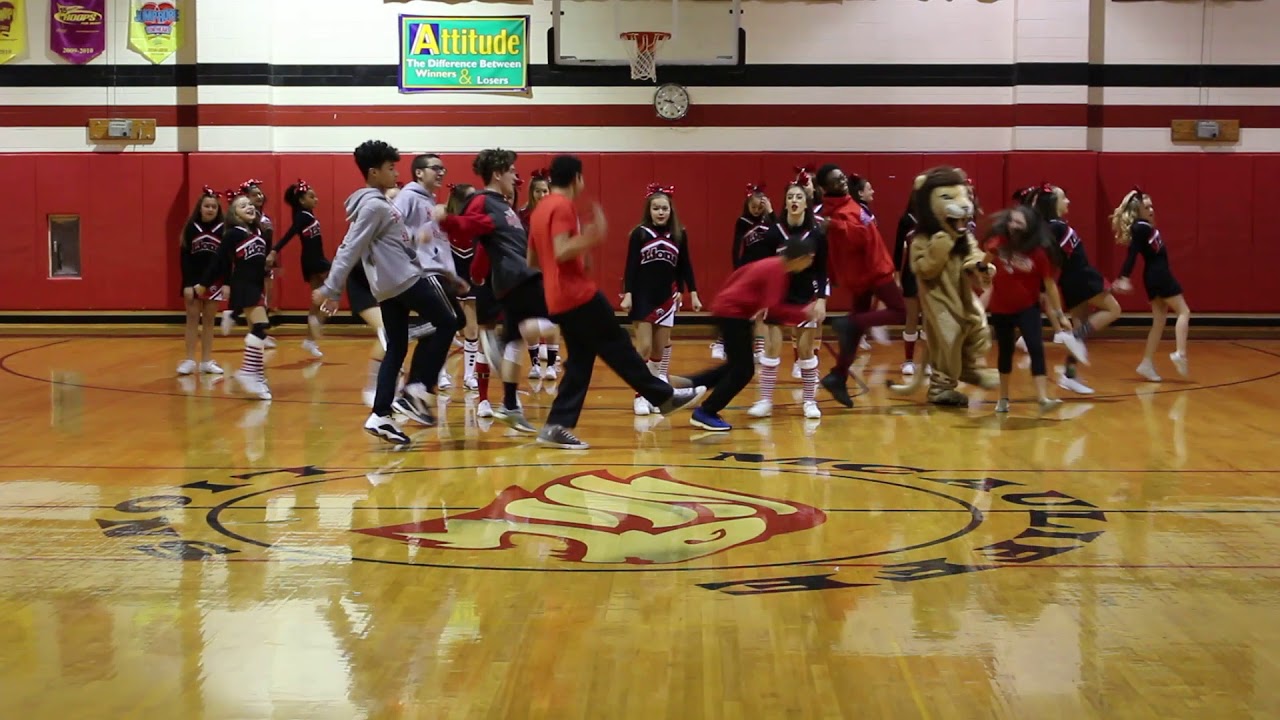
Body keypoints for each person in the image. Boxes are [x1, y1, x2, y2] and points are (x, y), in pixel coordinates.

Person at [526, 154, 706, 449]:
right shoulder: (562, 205)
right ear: (577, 179)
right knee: (617, 344)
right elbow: (560, 251)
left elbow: (533, 260)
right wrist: (591, 237)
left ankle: (556, 426)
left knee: (581, 362)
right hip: (577, 295)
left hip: (557, 298)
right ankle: (663, 396)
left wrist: (572, 260)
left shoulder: (539, 210)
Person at [313, 140, 460, 445]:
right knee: (449, 321)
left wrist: (435, 260)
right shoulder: (374, 206)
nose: (396, 173)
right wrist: (331, 288)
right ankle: (417, 387)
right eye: (390, 168)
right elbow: (348, 248)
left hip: (389, 287)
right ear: (373, 172)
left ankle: (381, 415)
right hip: (403, 282)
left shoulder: (380, 204)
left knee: (396, 347)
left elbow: (398, 244)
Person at [686, 236, 824, 432]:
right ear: (799, 258)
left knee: (735, 366)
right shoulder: (778, 271)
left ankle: (691, 385)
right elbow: (774, 309)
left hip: (727, 311)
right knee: (743, 371)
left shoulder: (769, 264)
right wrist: (803, 312)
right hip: (734, 315)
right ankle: (706, 412)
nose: (810, 263)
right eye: (809, 259)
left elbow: (736, 277)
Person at [1111, 187, 1191, 381]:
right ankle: (1180, 353)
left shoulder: (1145, 227)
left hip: (1154, 276)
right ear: (1137, 210)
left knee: (1159, 320)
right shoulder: (1140, 227)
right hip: (1159, 275)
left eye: (1152, 206)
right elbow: (1132, 254)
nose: (1151, 210)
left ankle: (1146, 363)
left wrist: (1124, 277)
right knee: (1184, 311)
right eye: (1147, 207)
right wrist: (1124, 276)